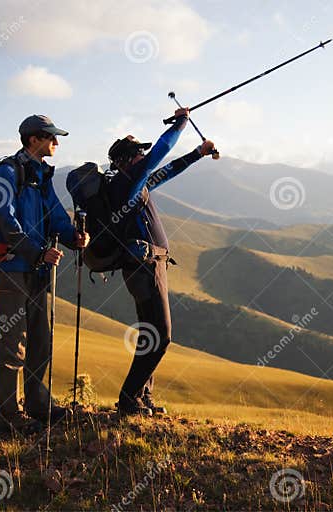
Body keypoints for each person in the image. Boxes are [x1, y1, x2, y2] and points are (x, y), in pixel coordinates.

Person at [107, 107, 217, 416]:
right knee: (162, 334)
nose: (144, 157)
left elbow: (164, 171)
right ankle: (129, 399)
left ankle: (141, 397)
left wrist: (198, 153)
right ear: (127, 160)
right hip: (144, 266)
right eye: (138, 154)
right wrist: (181, 124)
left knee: (150, 333)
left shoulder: (131, 185)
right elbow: (161, 152)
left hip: (148, 265)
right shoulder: (128, 182)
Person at [0, 114, 88, 430]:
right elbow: (7, 223)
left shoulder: (40, 176)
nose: (56, 143)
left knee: (40, 341)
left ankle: (37, 405)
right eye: (50, 137)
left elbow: (56, 215)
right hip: (13, 269)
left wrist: (74, 237)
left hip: (37, 271)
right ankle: (7, 415)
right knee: (11, 342)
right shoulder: (7, 172)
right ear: (34, 139)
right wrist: (37, 251)